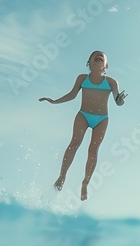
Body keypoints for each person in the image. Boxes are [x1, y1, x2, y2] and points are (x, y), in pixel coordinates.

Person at [40, 50, 126, 200]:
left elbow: (118, 101)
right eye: (95, 56)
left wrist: (120, 100)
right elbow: (72, 95)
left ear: (106, 65)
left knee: (93, 149)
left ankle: (85, 183)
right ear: (89, 63)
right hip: (83, 115)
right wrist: (54, 101)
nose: (99, 56)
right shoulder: (82, 78)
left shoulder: (111, 82)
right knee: (74, 143)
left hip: (102, 119)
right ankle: (62, 177)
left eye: (102, 57)